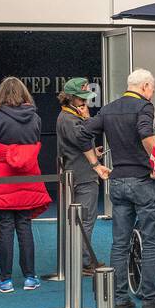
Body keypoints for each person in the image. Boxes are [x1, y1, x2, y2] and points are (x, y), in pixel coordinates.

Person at [81, 69, 155, 308]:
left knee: (119, 242)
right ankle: (151, 299)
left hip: (118, 182)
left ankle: (120, 299)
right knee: (152, 242)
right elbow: (145, 134)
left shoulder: (109, 108)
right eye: (152, 89)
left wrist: (95, 165)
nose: (152, 93)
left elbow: (82, 133)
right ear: (145, 86)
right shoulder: (144, 107)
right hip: (143, 181)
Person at [0, 77, 51, 295]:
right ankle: (30, 277)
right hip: (27, 175)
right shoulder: (35, 118)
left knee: (5, 226)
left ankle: (5, 279)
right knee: (25, 225)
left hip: (1, 177)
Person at [56, 78, 104, 275]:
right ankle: (83, 262)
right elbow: (82, 139)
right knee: (85, 220)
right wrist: (88, 120)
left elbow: (79, 144)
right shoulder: (69, 118)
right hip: (83, 175)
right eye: (81, 99)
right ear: (70, 98)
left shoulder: (67, 117)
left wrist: (94, 152)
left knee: (81, 219)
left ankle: (81, 259)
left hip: (78, 171)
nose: (85, 103)